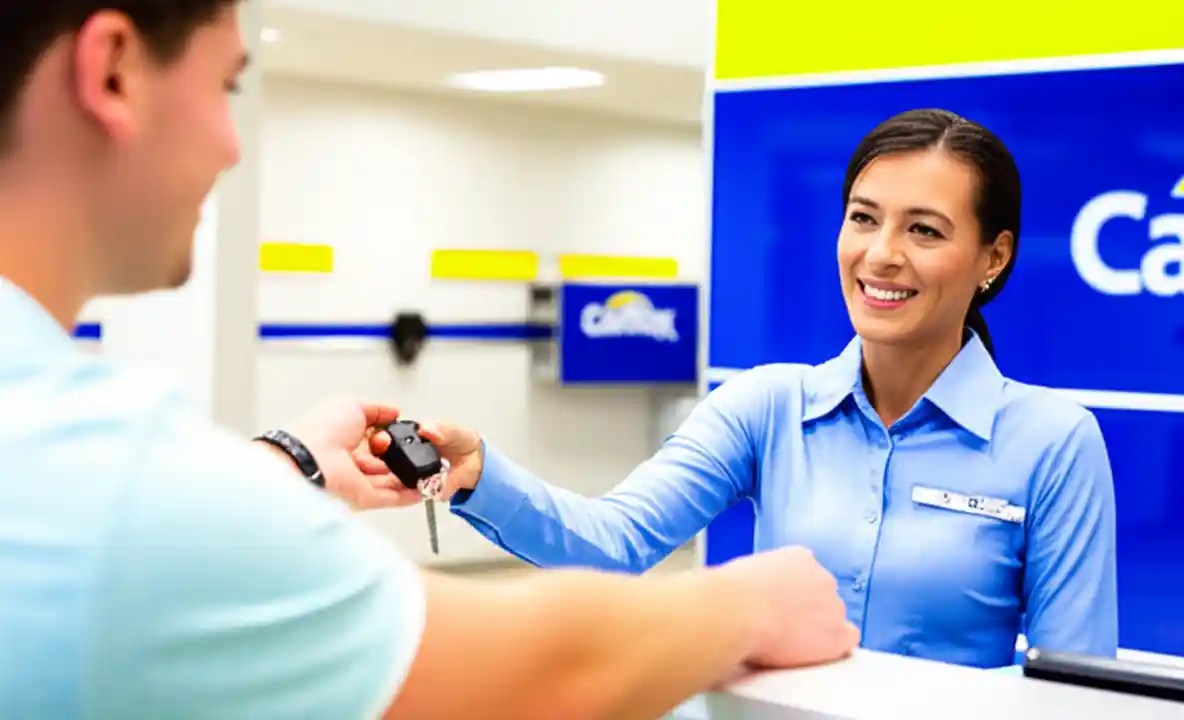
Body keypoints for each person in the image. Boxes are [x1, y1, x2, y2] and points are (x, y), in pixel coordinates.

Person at [0, 3, 860, 718]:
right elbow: (547, 677)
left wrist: (289, 465)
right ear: (113, 69)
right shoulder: (107, 469)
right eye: (228, 86)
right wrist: (750, 601)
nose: (235, 144)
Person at [427, 108, 1120, 669]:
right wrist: (480, 475)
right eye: (863, 217)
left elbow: (1075, 681)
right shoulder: (766, 407)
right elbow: (614, 542)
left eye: (925, 230)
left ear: (992, 258)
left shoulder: (1052, 441)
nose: (881, 253)